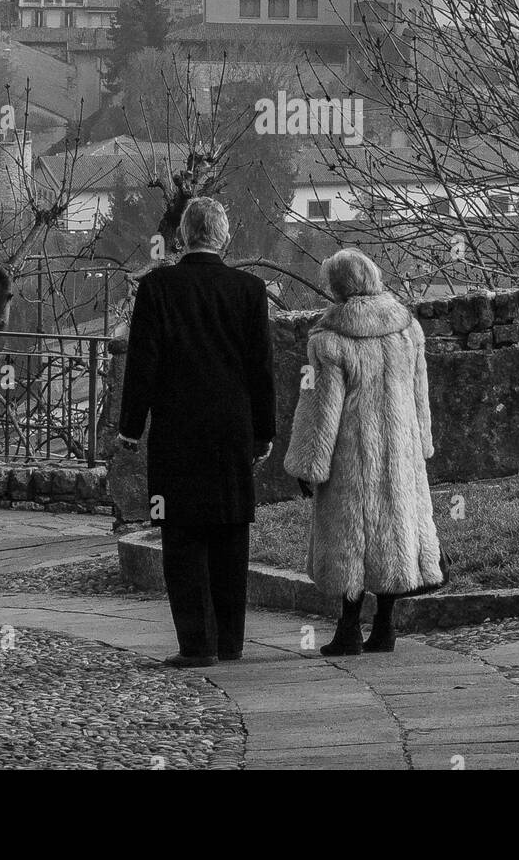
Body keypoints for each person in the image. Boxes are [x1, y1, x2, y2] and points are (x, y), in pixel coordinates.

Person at [118, 197, 276, 668]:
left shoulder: (157, 287)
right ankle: (231, 642)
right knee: (230, 533)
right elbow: (261, 370)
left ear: (182, 237)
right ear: (224, 237)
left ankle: (196, 645)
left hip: (176, 432)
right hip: (232, 432)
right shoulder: (249, 290)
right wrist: (263, 433)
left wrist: (130, 428)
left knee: (181, 536)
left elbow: (142, 364)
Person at [284, 248, 443, 655]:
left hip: (351, 455)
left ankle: (348, 629)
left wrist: (308, 464)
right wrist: (421, 442)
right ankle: (386, 627)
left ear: (336, 287)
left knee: (352, 535)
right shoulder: (408, 328)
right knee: (393, 534)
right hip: (400, 451)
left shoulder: (330, 338)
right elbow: (419, 393)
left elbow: (321, 407)